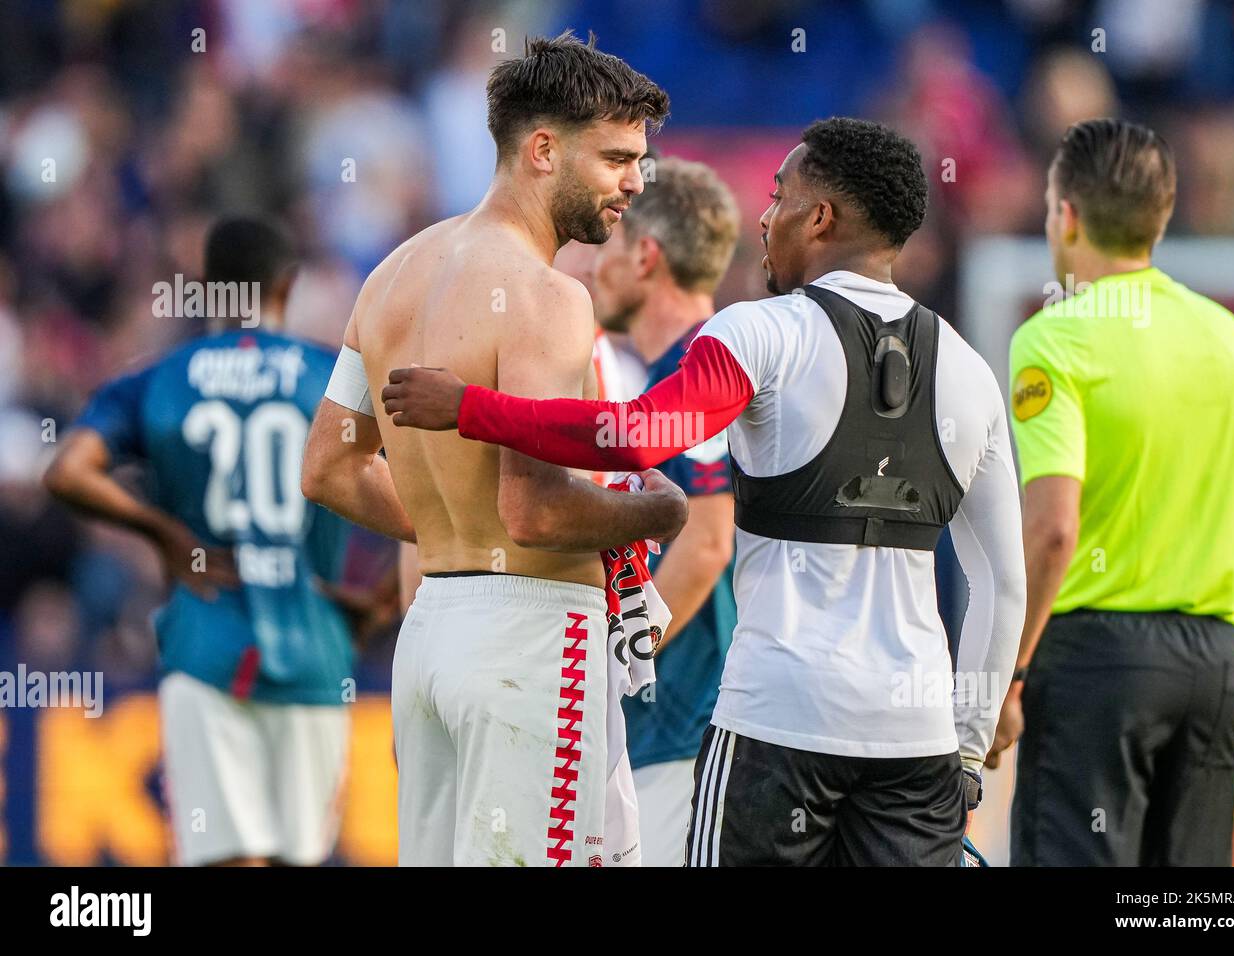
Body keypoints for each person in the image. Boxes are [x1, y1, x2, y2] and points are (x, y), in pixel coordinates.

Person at [380, 118, 1028, 866]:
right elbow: (1002, 582)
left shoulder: (759, 334)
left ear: (820, 218)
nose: (764, 215)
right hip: (916, 742)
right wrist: (970, 748)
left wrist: (469, 409)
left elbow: (635, 436)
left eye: (781, 195)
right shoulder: (972, 370)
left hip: (777, 724)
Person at [300, 32, 686, 867]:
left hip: (434, 631)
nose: (635, 183)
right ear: (543, 149)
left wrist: (458, 534)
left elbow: (327, 468)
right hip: (536, 643)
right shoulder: (549, 298)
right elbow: (535, 506)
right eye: (617, 158)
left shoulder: (390, 276)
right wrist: (658, 507)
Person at [985, 118, 1234, 866]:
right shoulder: (1232, 339)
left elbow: (1053, 529)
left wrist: (1009, 674)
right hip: (1215, 657)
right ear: (1162, 216)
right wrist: (1214, 658)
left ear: (1068, 217)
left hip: (1097, 659)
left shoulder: (1055, 338)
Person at [44, 216, 362, 866]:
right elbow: (418, 482)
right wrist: (384, 597)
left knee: (222, 857)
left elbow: (68, 470)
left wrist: (161, 533)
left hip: (202, 639)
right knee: (298, 857)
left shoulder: (159, 379)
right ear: (288, 284)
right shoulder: (332, 377)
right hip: (314, 643)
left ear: (207, 288)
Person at [587, 156, 742, 866]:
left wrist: (623, 661)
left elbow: (708, 543)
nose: (596, 266)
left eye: (611, 243)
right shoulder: (706, 367)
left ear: (646, 257)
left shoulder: (696, 373)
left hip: (685, 718)